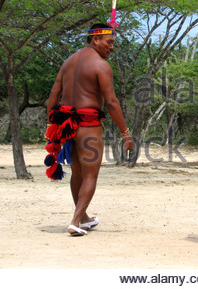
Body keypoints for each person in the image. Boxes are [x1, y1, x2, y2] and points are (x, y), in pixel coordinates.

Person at [45, 23, 134, 236]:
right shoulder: (101, 65)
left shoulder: (68, 62)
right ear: (95, 39)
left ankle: (83, 218)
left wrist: (51, 126)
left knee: (78, 173)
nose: (111, 47)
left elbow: (53, 94)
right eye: (109, 42)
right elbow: (111, 102)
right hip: (88, 127)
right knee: (90, 175)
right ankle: (75, 221)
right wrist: (125, 132)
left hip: (67, 128)